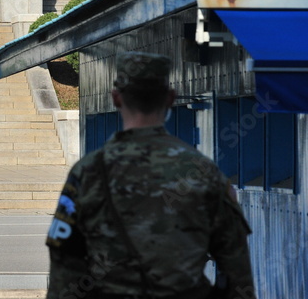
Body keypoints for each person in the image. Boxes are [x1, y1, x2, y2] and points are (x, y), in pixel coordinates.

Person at [45, 52, 256, 299]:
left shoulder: (87, 172)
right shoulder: (204, 171)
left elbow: (64, 263)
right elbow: (236, 269)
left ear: (116, 98)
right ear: (170, 98)